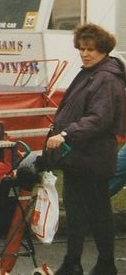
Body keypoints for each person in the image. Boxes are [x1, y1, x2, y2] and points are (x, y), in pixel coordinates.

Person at [44, 23, 125, 275]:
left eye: (91, 49)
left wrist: (67, 133)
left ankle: (98, 263)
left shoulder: (106, 78)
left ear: (103, 50)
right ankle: (79, 262)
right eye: (81, 49)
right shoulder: (91, 73)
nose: (85, 54)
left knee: (94, 211)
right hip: (79, 155)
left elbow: (100, 118)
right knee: (83, 212)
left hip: (92, 155)